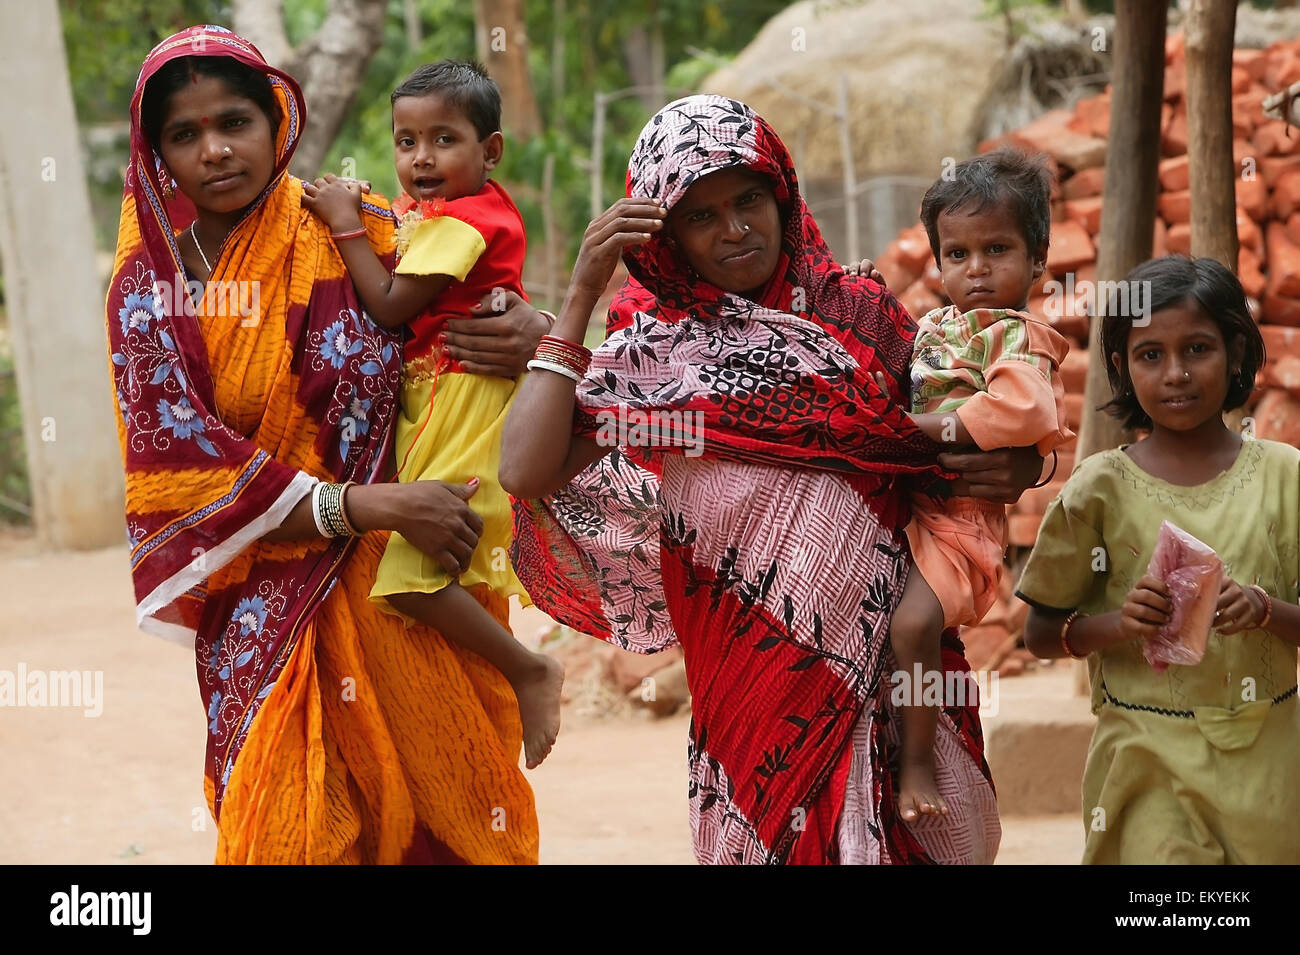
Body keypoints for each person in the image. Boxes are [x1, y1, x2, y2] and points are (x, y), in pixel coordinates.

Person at [500, 95, 1044, 864]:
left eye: (749, 198)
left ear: (782, 194)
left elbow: (946, 436)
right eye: (700, 214)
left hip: (887, 670)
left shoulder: (859, 317)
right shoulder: (652, 357)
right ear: (664, 239)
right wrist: (584, 292)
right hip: (748, 672)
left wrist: (1028, 462)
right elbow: (523, 468)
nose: (734, 228)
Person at [107, 25, 548, 864]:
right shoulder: (149, 294)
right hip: (272, 614)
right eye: (184, 134)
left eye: (233, 121)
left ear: (277, 120)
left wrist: (537, 331)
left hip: (417, 589)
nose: (215, 150)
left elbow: (471, 302)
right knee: (298, 834)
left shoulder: (360, 230)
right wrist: (363, 504)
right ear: (157, 151)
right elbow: (181, 475)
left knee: (452, 829)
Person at [302, 60, 564, 770]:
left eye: (443, 139)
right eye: (405, 141)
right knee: (437, 564)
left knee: (412, 574)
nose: (421, 158)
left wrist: (345, 226)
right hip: (442, 394)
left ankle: (528, 669)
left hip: (463, 396)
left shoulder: (465, 221)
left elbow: (389, 301)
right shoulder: (460, 211)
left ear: (491, 150)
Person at [1017, 255, 1300, 864]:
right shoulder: (1099, 488)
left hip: (1267, 769)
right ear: (1120, 367)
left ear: (1235, 354)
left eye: (1198, 348)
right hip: (1145, 759)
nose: (1175, 373)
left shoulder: (1285, 476)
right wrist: (1121, 623)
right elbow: (1040, 635)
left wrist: (1264, 608)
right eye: (1150, 355)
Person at [879, 149, 1074, 823]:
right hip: (913, 511)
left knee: (913, 624)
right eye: (957, 254)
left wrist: (918, 430)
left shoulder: (1019, 338)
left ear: (1039, 258)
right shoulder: (936, 327)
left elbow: (1023, 414)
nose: (978, 270)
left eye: (998, 249)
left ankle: (919, 761)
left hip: (961, 527)